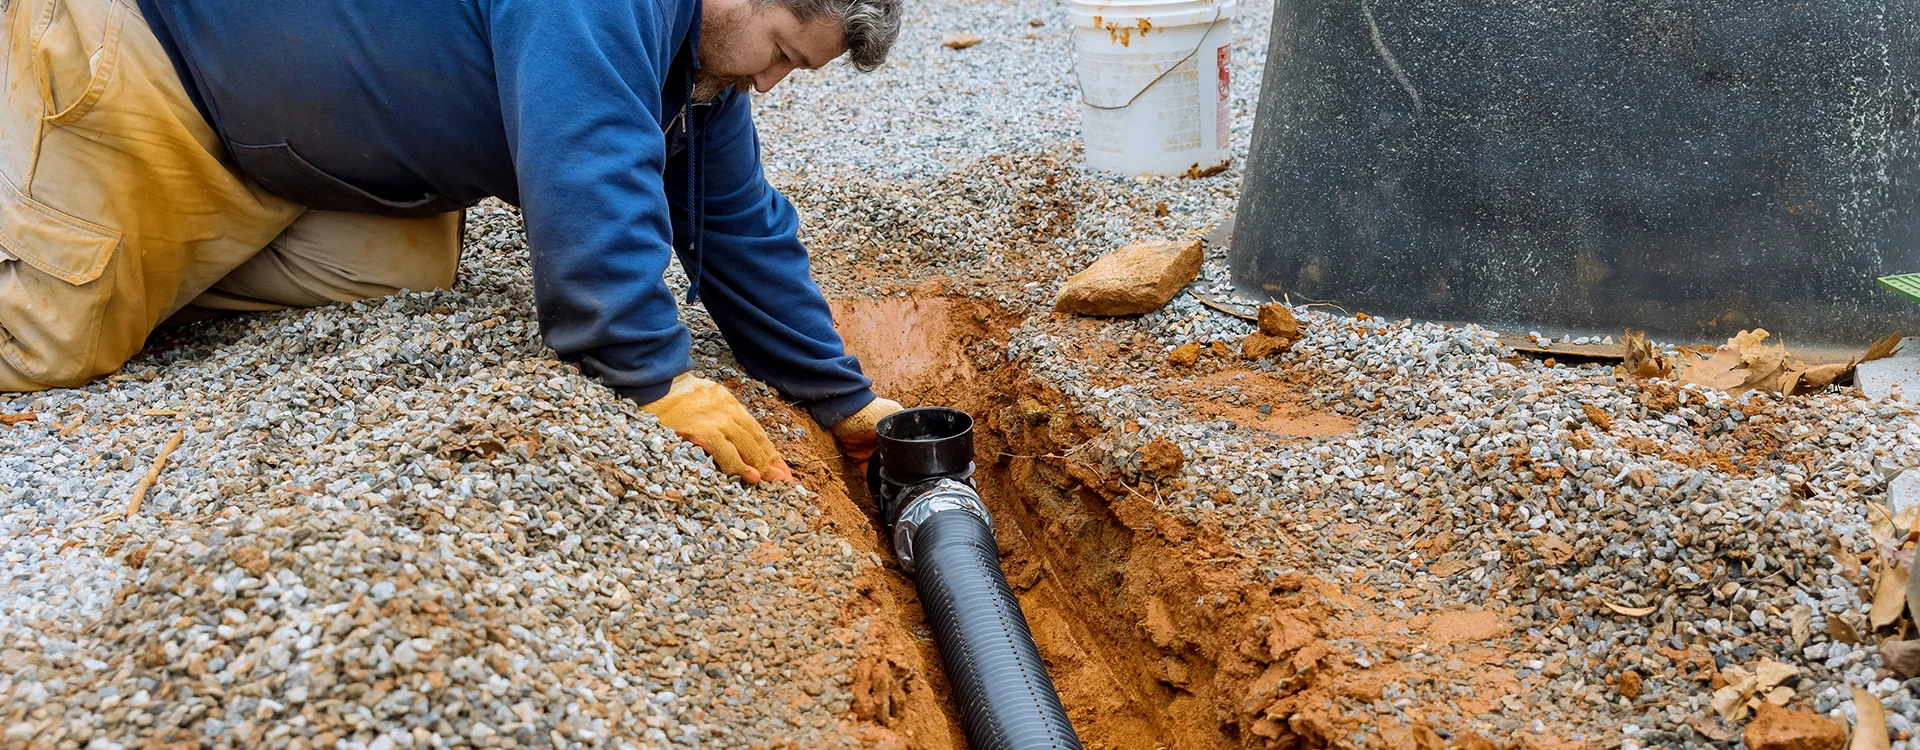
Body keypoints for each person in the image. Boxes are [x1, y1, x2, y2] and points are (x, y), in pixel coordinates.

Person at [0, 0, 905, 482]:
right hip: (146, 77)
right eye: (784, 50)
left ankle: (138, 254)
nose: (775, 82)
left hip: (288, 162)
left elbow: (734, 219)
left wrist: (839, 398)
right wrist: (654, 378)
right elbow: (592, 168)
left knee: (407, 270)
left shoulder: (698, 63)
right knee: (49, 335)